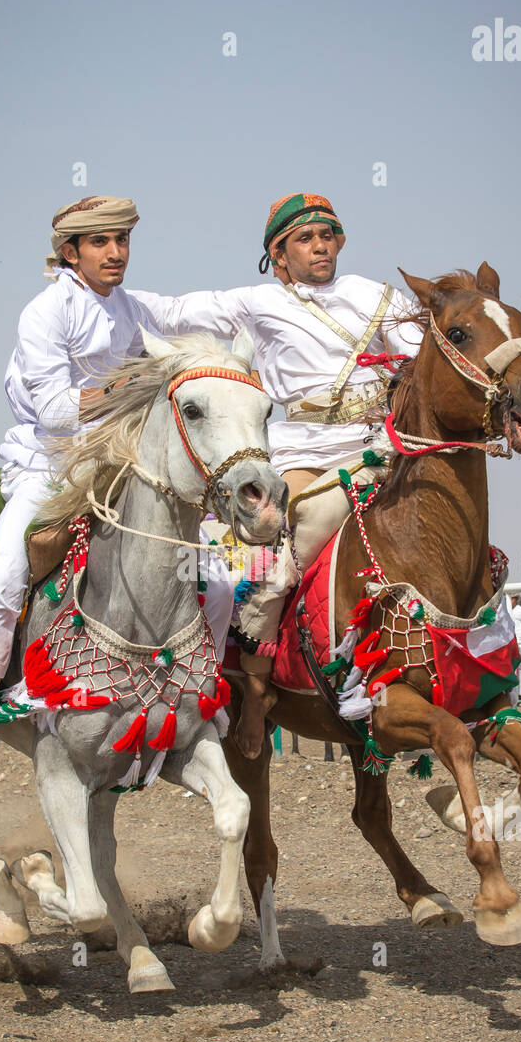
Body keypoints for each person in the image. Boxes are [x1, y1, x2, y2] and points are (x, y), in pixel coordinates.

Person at [134, 192, 423, 755]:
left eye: (328, 235)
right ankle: (257, 693)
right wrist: (102, 293)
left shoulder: (377, 294)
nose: (320, 247)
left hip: (381, 444)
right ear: (278, 254)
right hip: (307, 449)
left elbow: (417, 358)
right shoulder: (258, 301)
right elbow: (170, 312)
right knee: (276, 560)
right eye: (304, 239)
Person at [0, 196, 157, 770]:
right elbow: (59, 413)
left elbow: (197, 311)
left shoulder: (133, 308)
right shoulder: (45, 312)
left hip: (121, 456)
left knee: (207, 561)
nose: (116, 252)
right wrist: (130, 388)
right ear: (70, 252)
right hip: (52, 462)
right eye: (100, 242)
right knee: (7, 569)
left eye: (123, 240)